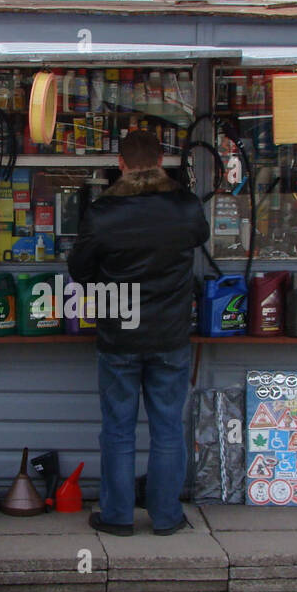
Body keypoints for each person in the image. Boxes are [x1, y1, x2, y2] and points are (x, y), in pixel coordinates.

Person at [68, 130, 210, 536]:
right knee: (168, 428)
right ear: (162, 162)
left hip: (119, 335)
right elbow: (199, 237)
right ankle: (166, 517)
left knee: (117, 429)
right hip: (170, 334)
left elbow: (79, 270)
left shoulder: (102, 212)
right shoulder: (185, 207)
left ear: (121, 164)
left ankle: (117, 516)